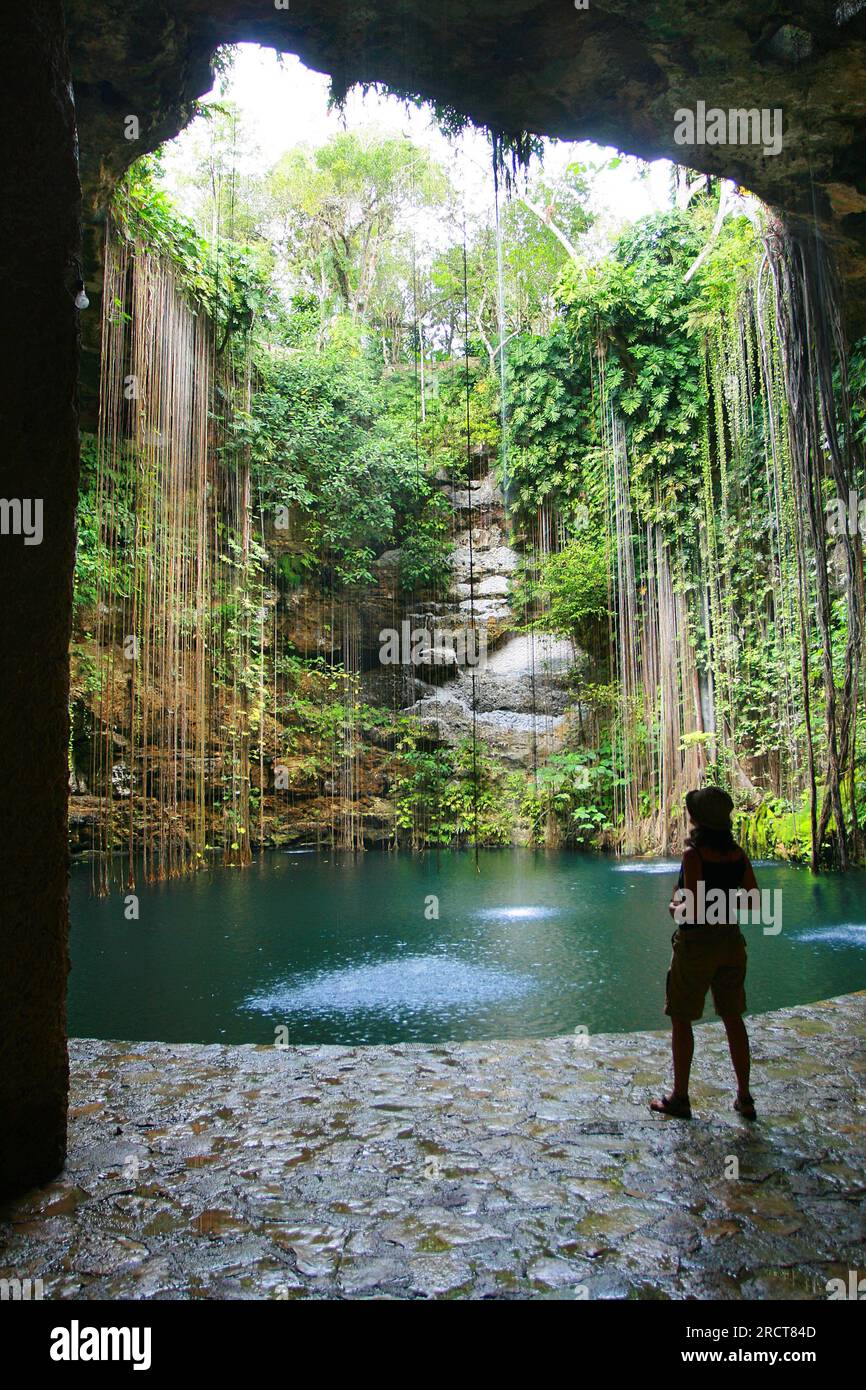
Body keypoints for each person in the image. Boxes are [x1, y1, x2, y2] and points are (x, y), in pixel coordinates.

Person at [650, 786, 758, 1121]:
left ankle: (680, 1098)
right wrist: (725, 906)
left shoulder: (693, 855)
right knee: (732, 1017)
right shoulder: (738, 855)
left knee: (682, 1018)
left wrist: (673, 907)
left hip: (697, 946)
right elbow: (753, 900)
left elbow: (692, 908)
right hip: (730, 942)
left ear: (698, 820)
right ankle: (744, 1097)